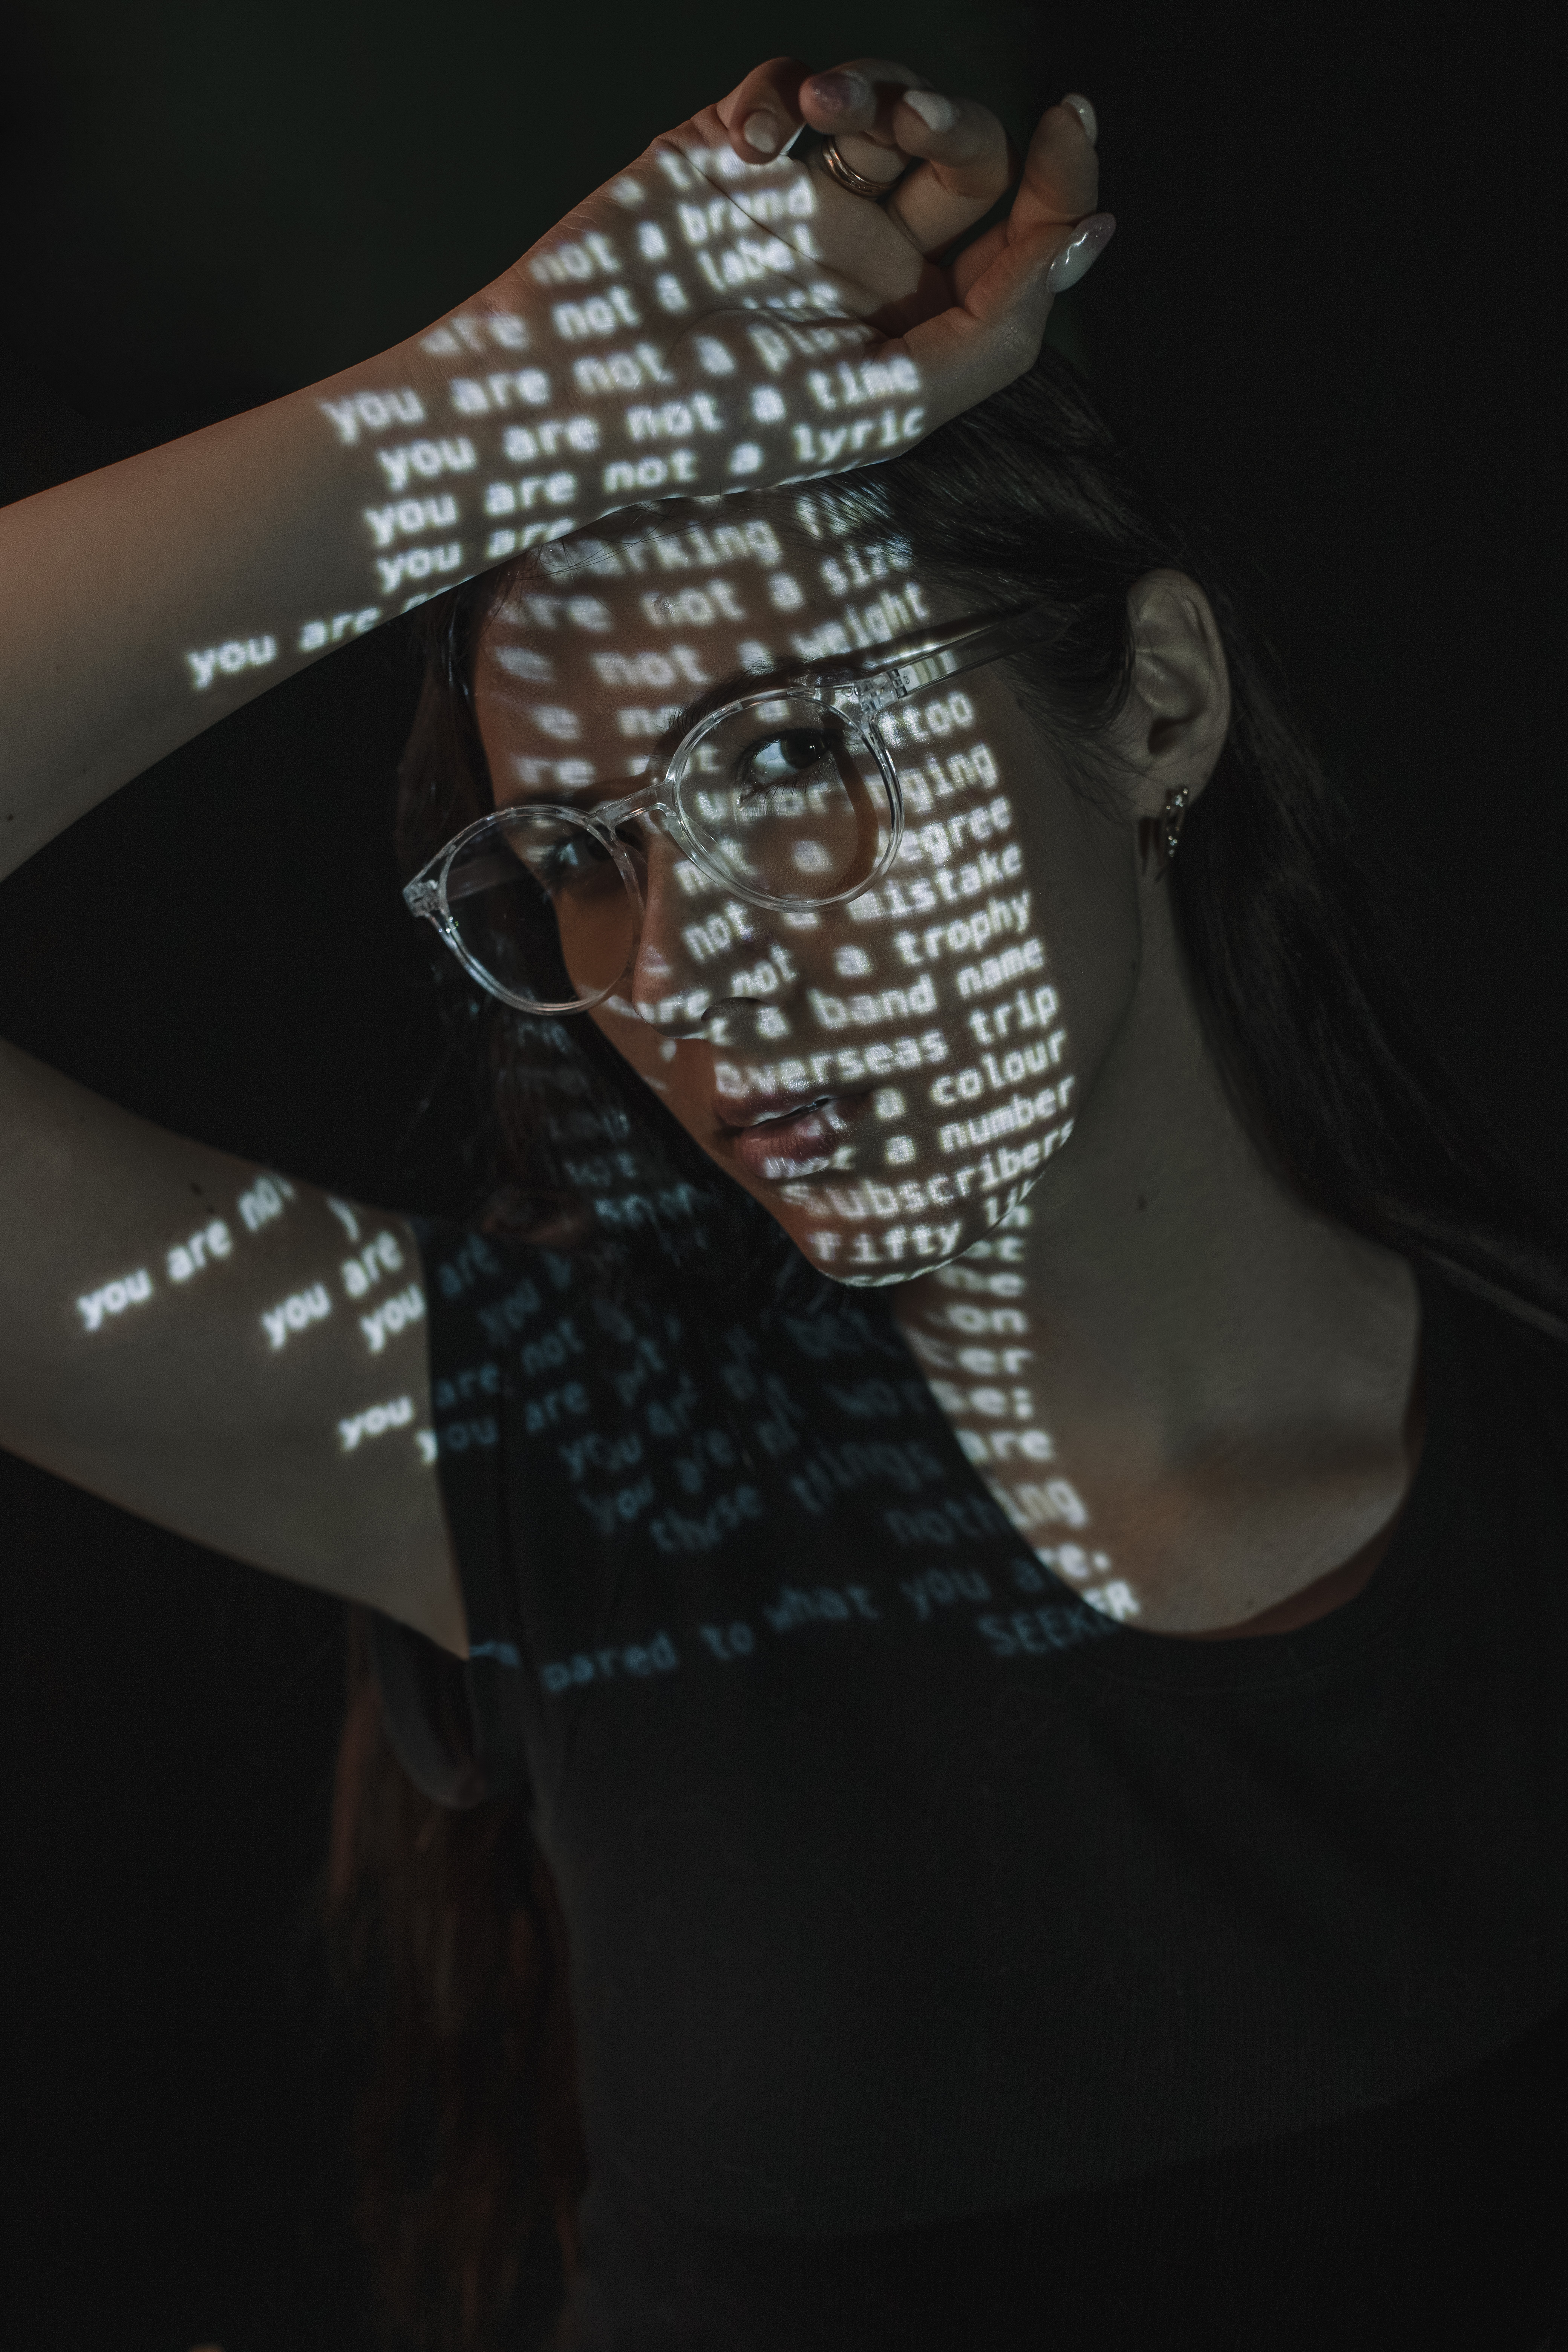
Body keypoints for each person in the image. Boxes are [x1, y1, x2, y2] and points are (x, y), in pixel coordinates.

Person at [2, 47, 1563, 2352]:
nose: (685, 955)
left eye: (795, 751)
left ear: (1153, 707)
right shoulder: (583, 1466)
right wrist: (521, 392)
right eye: (589, 861)